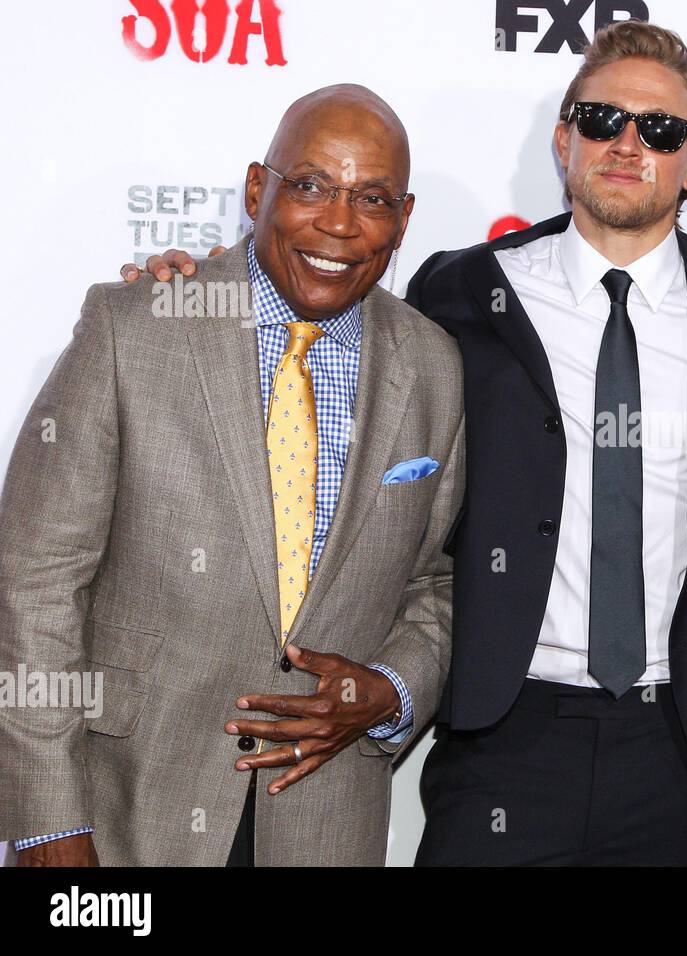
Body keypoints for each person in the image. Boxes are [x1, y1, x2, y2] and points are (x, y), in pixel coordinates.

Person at [121, 21, 687, 866]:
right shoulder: (460, 291)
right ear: (565, 140)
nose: (628, 143)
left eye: (662, 130)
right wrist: (204, 287)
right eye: (602, 120)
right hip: (505, 740)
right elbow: (325, 331)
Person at [0, 85, 466, 866]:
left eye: (372, 198)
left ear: (405, 218)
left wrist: (393, 685)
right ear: (258, 189)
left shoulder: (433, 366)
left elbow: (439, 580)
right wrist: (48, 826)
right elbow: (33, 585)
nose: (339, 223)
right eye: (310, 186)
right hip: (124, 815)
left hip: (325, 820)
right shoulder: (135, 325)